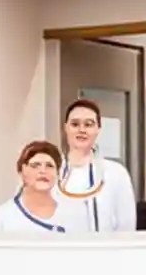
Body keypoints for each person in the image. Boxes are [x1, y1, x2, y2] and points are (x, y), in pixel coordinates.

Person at [56, 99, 137, 232]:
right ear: (66, 128)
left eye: (88, 124)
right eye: (75, 124)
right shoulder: (50, 172)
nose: (81, 130)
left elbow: (126, 227)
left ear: (98, 129)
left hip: (103, 251)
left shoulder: (116, 173)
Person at [0, 140, 86, 233]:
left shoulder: (73, 214)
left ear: (58, 173)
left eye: (49, 166)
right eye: (35, 165)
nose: (43, 171)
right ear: (22, 171)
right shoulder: (1, 217)